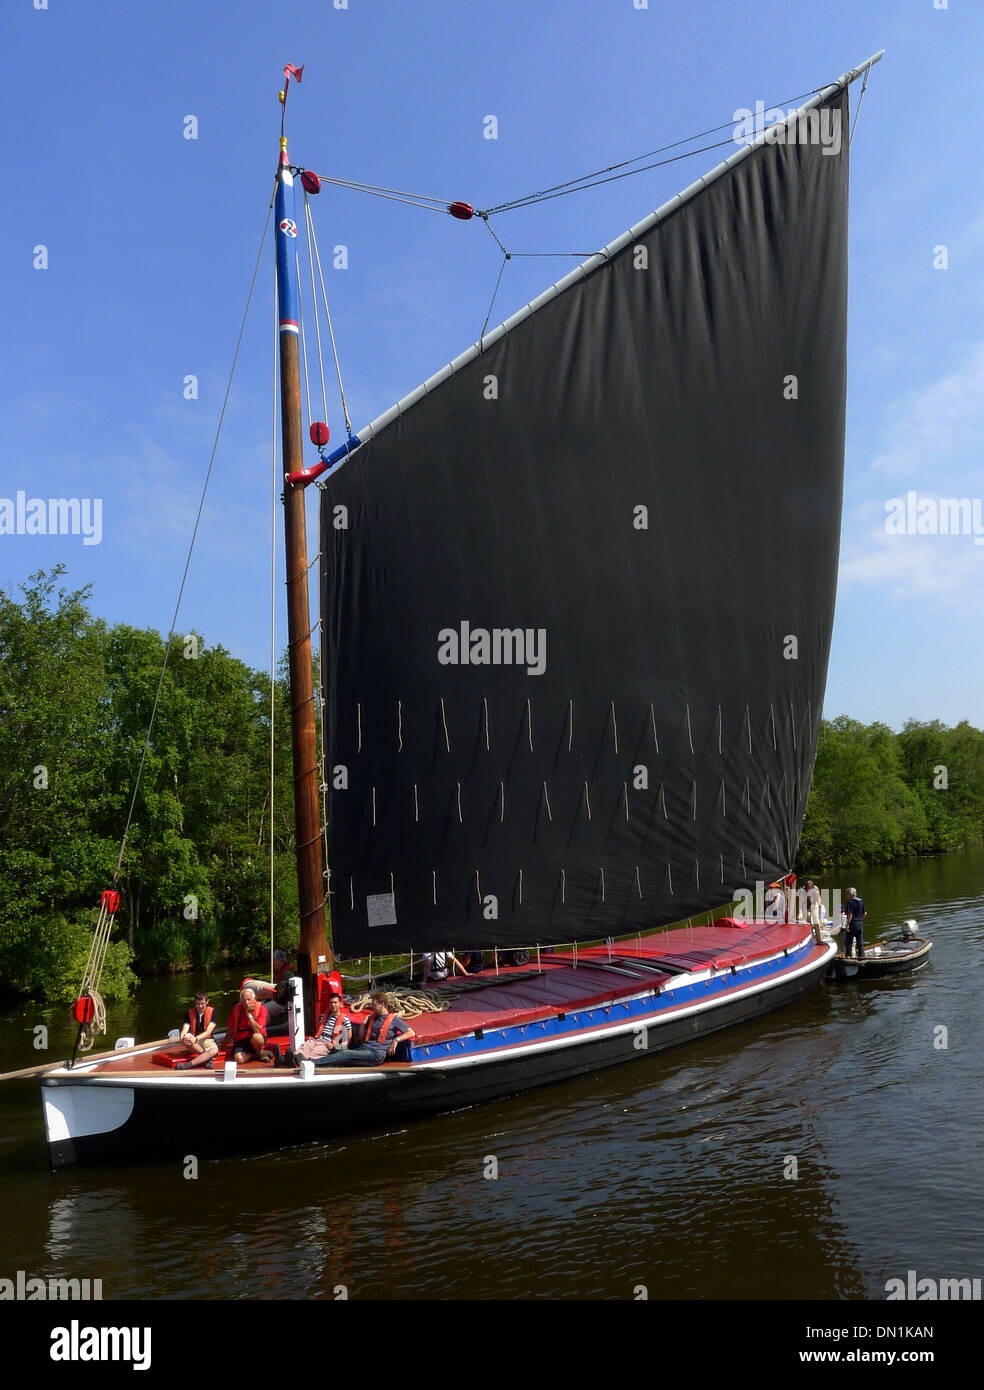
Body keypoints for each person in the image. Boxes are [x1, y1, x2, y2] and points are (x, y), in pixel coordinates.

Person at [313, 993, 415, 1067]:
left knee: (345, 1054)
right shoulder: (372, 1018)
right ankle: (318, 1065)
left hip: (376, 1054)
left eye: (374, 1005)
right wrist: (363, 1023)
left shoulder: (394, 1020)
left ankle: (312, 1063)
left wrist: (396, 1040)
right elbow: (362, 1038)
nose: (372, 1007)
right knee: (343, 1059)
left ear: (382, 1004)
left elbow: (411, 1032)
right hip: (365, 1049)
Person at [291, 993, 352, 1065]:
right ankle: (292, 1058)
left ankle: (301, 1062)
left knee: (316, 1051)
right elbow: (319, 1029)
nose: (333, 1005)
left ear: (340, 1003)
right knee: (306, 1045)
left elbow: (348, 1038)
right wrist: (313, 1038)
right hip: (318, 1039)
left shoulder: (344, 1019)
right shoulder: (325, 1016)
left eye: (335, 1002)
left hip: (328, 1043)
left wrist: (335, 1047)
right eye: (331, 1003)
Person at [225, 987, 272, 1064]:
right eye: (244, 1000)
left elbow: (257, 1030)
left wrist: (249, 1014)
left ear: (254, 999)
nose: (246, 1002)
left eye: (248, 999)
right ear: (240, 1000)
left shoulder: (262, 1009)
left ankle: (259, 1051)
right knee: (238, 1059)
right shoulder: (236, 1009)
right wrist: (223, 1045)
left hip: (256, 1040)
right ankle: (255, 1055)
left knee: (257, 1037)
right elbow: (231, 1029)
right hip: (241, 1040)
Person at [175, 991, 218, 1069]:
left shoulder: (213, 1012)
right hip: (193, 1042)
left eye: (202, 1003)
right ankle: (207, 1057)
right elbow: (185, 1029)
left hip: (207, 1040)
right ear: (195, 1003)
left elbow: (208, 1031)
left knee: (214, 1051)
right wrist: (182, 1037)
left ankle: (185, 1066)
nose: (200, 1006)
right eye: (198, 1004)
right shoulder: (189, 1013)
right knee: (186, 1038)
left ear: (207, 1001)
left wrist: (196, 1038)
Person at [842, 887, 866, 959]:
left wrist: (847, 924)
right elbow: (865, 913)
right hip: (859, 923)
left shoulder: (850, 902)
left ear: (850, 894)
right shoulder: (861, 901)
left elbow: (850, 914)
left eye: (847, 894)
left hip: (852, 923)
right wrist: (861, 919)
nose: (846, 896)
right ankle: (861, 957)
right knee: (860, 942)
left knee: (849, 942)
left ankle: (848, 957)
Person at [804, 880, 824, 945]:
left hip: (814, 904)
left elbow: (818, 897)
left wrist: (820, 904)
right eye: (807, 889)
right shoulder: (803, 890)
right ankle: (811, 939)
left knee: (816, 922)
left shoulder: (815, 889)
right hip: (807, 905)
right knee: (809, 922)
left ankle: (819, 940)